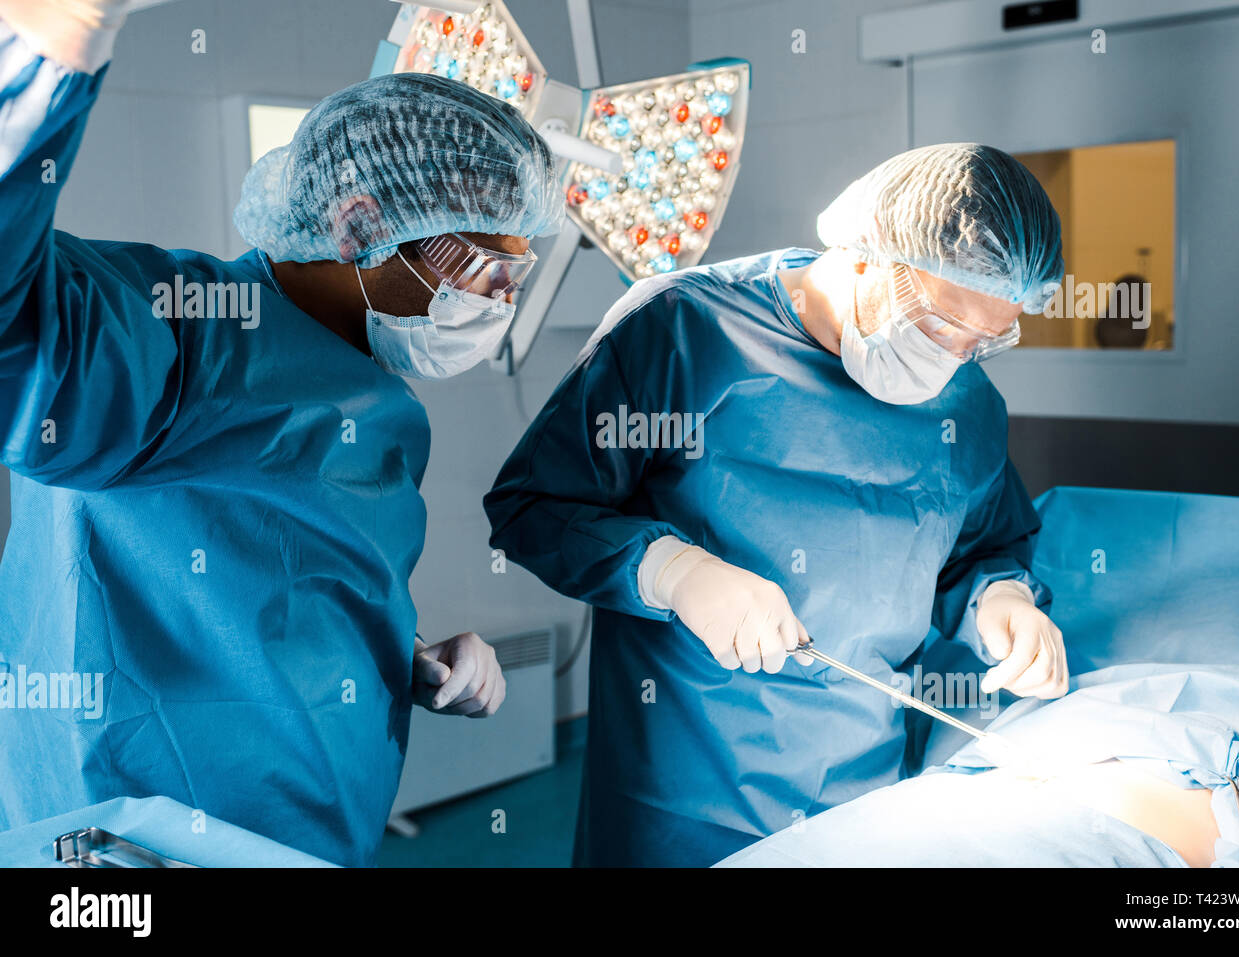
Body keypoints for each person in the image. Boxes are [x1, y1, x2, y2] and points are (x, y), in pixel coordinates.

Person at [0, 1, 562, 866]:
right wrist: (54, 42)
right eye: (481, 266)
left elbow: (277, 573)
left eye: (513, 274)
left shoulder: (378, 400)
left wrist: (401, 652)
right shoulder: (176, 334)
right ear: (362, 225)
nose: (497, 302)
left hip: (313, 835)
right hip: (131, 855)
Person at [485, 143, 1069, 866]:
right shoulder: (683, 329)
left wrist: (1002, 599)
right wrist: (674, 570)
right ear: (866, 253)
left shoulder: (965, 401)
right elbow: (534, 504)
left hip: (865, 785)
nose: (953, 357)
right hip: (684, 792)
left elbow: (982, 543)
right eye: (941, 324)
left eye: (987, 339)